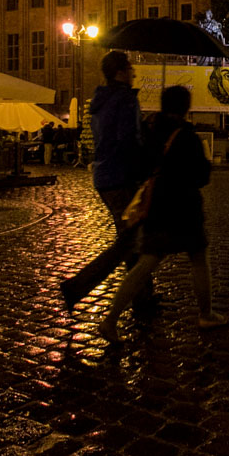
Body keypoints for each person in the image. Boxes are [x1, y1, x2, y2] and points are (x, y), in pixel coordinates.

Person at [99, 86, 227, 343]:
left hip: (156, 206)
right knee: (198, 257)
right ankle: (206, 313)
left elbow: (140, 165)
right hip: (185, 207)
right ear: (185, 107)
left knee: (146, 263)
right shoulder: (188, 137)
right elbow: (202, 176)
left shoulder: (150, 131)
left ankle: (111, 318)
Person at [61, 51, 154, 310]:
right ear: (121, 72)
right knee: (130, 242)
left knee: (133, 239)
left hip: (104, 175)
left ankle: (143, 296)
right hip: (122, 175)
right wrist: (144, 162)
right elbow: (128, 140)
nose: (134, 73)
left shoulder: (100, 102)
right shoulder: (125, 100)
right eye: (130, 68)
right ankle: (77, 287)